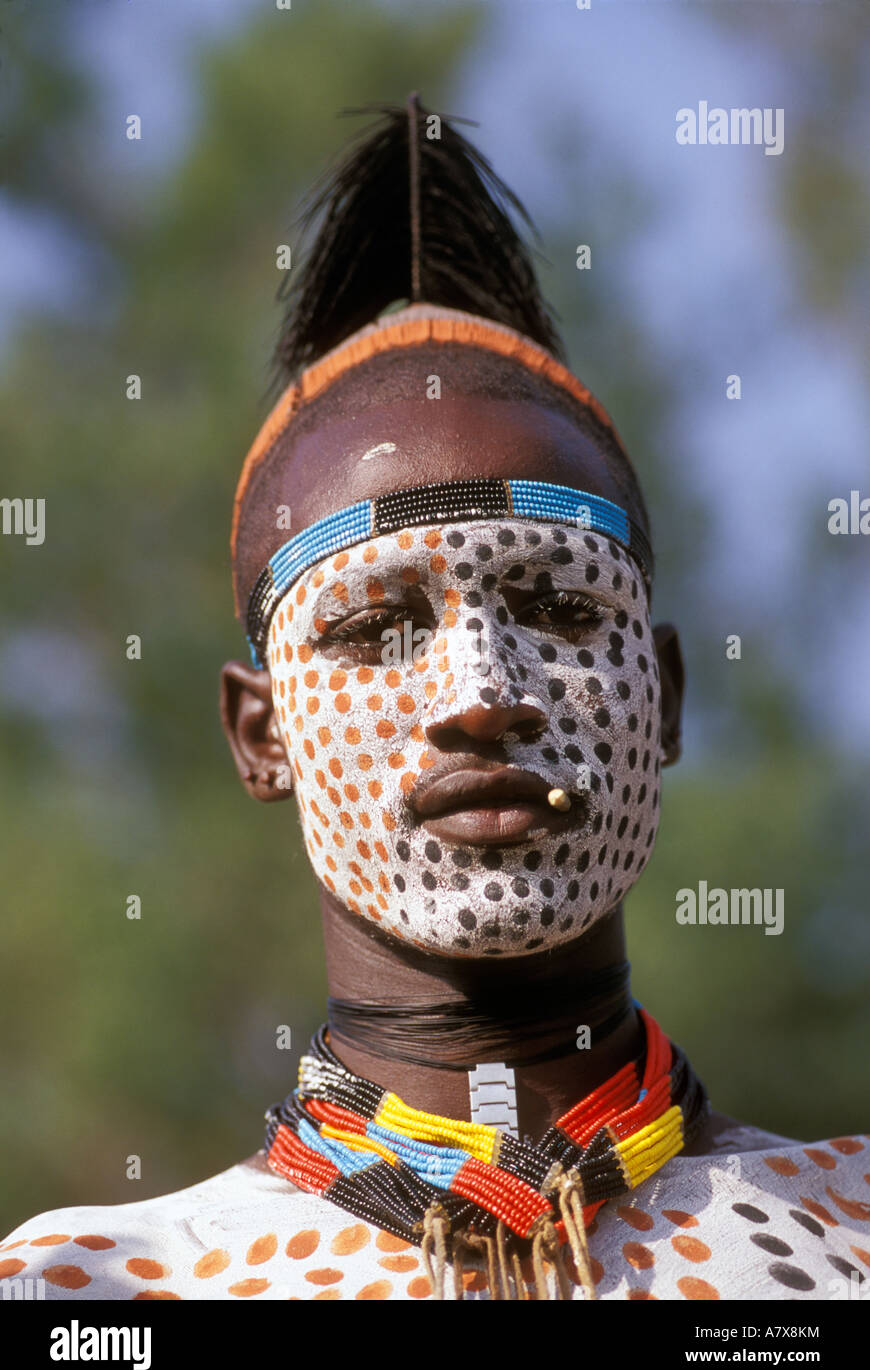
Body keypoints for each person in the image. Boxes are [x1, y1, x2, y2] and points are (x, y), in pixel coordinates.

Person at [2, 98, 867, 1303]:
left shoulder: (849, 1233)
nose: (482, 695)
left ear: (661, 697)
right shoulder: (91, 1288)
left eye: (562, 613)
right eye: (374, 629)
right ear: (262, 734)